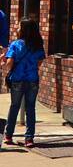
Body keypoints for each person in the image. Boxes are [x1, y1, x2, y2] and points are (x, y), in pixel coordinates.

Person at [3, 18, 46, 149]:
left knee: (14, 106)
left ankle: (8, 135)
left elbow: (9, 63)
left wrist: (7, 65)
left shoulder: (16, 44)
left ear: (23, 29)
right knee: (31, 108)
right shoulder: (38, 45)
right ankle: (29, 138)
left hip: (17, 79)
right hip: (32, 79)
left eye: (19, 26)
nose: (17, 28)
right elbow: (39, 62)